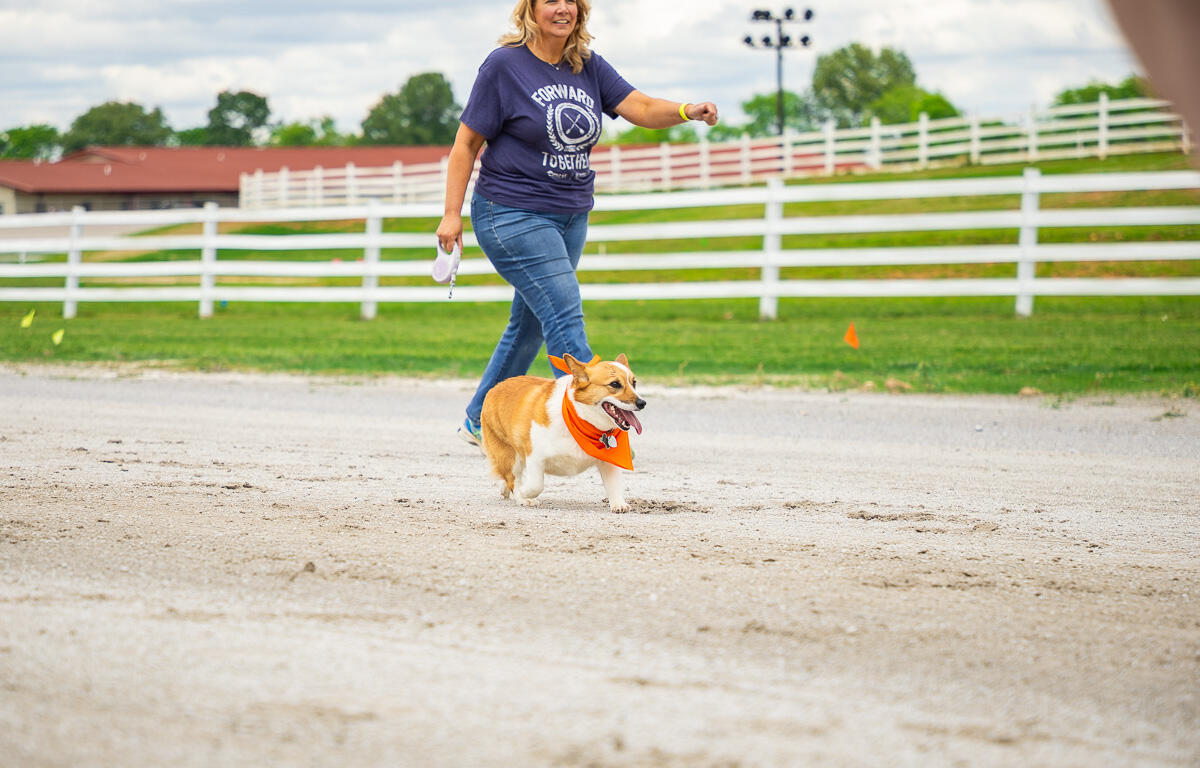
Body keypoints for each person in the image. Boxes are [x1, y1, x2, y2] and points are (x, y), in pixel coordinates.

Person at [437, 0, 719, 447]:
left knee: (531, 324)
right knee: (564, 311)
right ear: (531, 9)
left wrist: (688, 110)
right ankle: (596, 424)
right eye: (551, 0)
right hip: (510, 212)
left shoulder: (587, 66)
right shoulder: (504, 66)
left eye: (571, 0)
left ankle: (480, 420)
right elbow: (466, 144)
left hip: (570, 215)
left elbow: (643, 107)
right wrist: (451, 213)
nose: (563, 8)